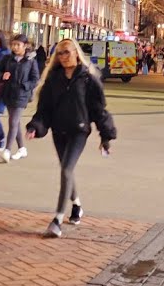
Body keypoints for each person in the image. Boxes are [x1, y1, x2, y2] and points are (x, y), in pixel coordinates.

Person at [27, 38, 117, 238]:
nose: (64, 57)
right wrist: (35, 126)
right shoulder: (53, 79)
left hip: (79, 131)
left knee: (67, 169)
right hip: (59, 131)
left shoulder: (87, 79)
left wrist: (106, 137)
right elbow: (45, 109)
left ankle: (57, 219)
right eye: (60, 54)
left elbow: (98, 110)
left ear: (76, 53)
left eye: (67, 52)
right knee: (66, 171)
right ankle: (76, 204)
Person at [1, 33, 41, 162]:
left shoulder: (30, 61)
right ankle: (22, 149)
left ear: (25, 46)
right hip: (8, 93)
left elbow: (35, 79)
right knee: (15, 122)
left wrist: (25, 86)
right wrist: (2, 75)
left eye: (18, 45)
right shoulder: (7, 59)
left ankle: (7, 149)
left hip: (22, 95)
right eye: (13, 44)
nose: (15, 47)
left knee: (13, 122)